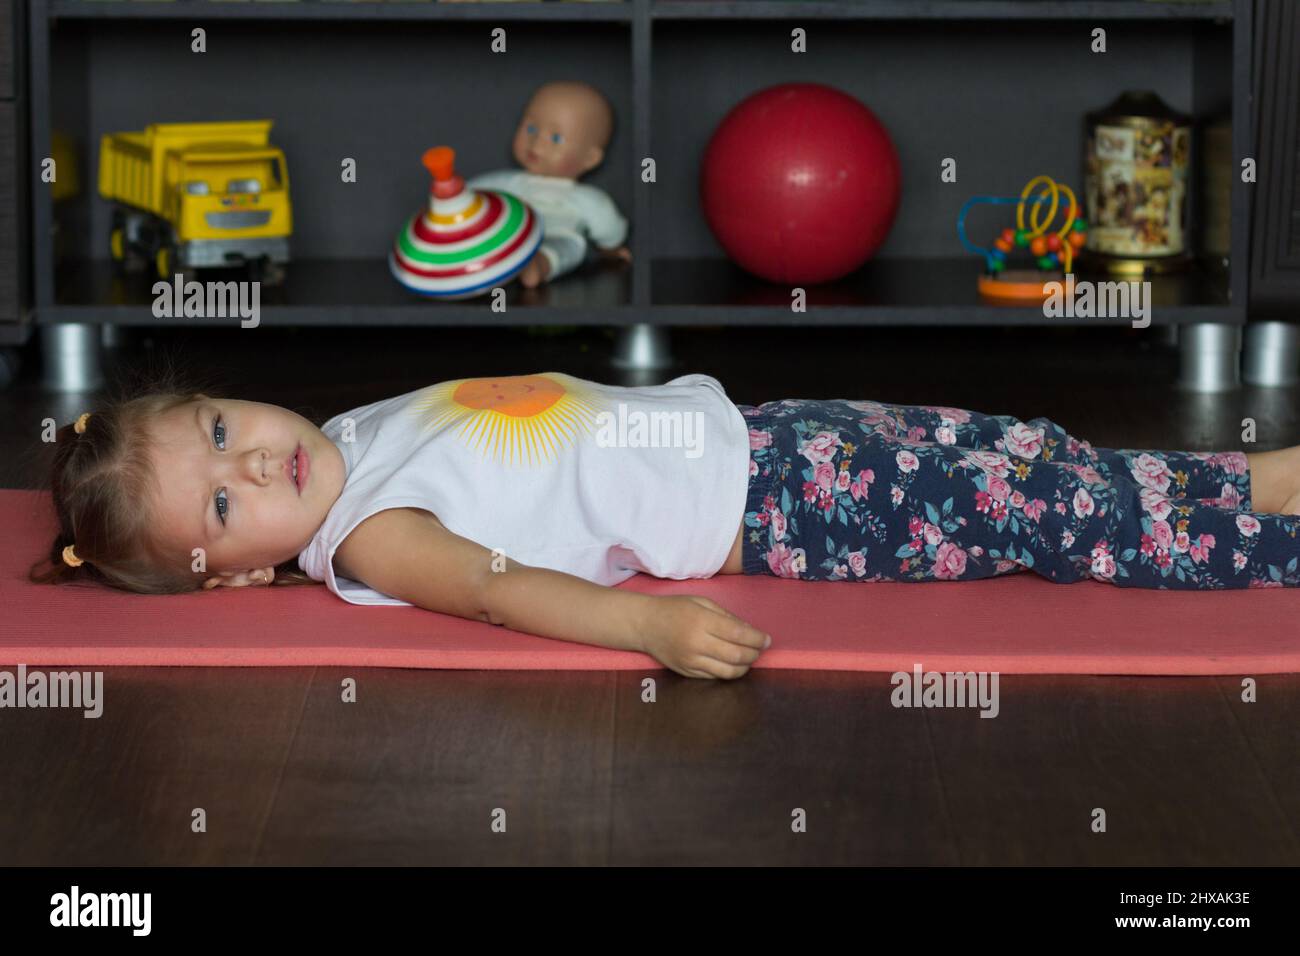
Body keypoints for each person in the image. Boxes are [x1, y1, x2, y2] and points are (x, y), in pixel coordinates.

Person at [31, 370, 1300, 680]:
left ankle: (1251, 479)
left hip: (772, 426)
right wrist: (647, 623)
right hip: (802, 508)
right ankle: (1269, 533)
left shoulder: (340, 437)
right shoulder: (367, 531)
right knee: (1046, 511)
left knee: (1027, 449)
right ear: (236, 580)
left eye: (213, 427)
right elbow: (494, 588)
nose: (251, 453)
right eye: (220, 499)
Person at [466, 80, 631, 289]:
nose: (537, 143)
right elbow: (476, 195)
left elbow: (608, 225)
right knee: (489, 238)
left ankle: (538, 266)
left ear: (590, 158)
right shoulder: (511, 182)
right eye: (531, 128)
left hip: (555, 237)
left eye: (555, 138)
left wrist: (611, 248)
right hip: (512, 237)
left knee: (569, 248)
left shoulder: (584, 197)